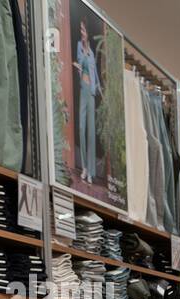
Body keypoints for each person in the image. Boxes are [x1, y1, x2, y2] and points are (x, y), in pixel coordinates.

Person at [75, 21, 100, 184]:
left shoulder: (92, 53)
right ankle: (84, 167)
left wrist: (99, 87)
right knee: (82, 128)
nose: (82, 32)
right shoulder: (80, 47)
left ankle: (90, 171)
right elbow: (80, 63)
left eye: (84, 29)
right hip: (83, 90)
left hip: (91, 93)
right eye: (81, 29)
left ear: (88, 33)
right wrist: (83, 49)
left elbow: (95, 74)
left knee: (91, 133)